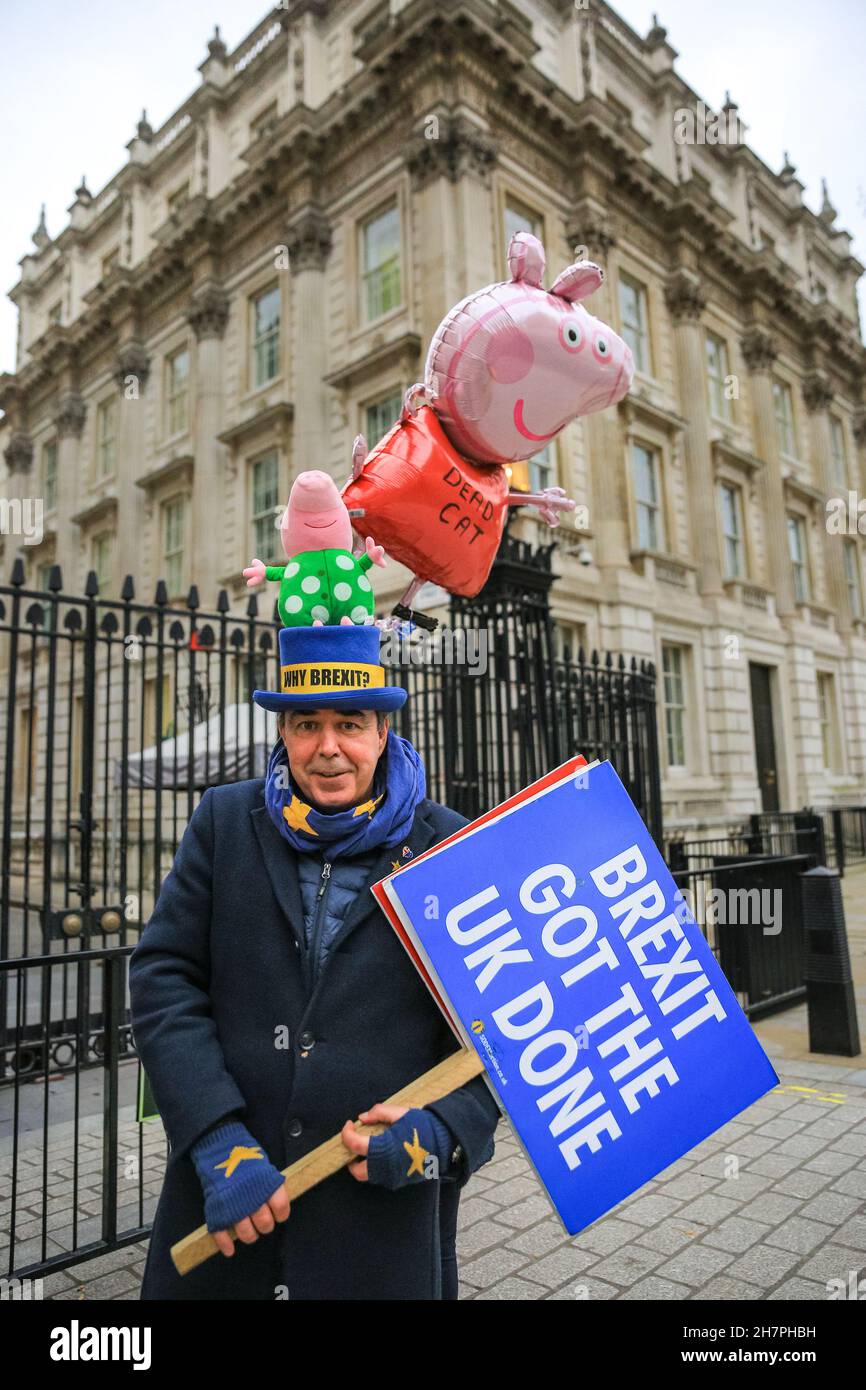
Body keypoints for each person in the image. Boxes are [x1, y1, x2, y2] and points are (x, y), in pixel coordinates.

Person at [129, 621, 500, 1300]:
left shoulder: (450, 844)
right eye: (306, 723)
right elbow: (163, 979)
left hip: (378, 1238)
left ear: (382, 731)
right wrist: (216, 1139)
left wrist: (440, 1134)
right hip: (230, 1216)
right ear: (283, 732)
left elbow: (500, 1031)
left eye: (350, 723)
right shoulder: (223, 821)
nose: (328, 748)